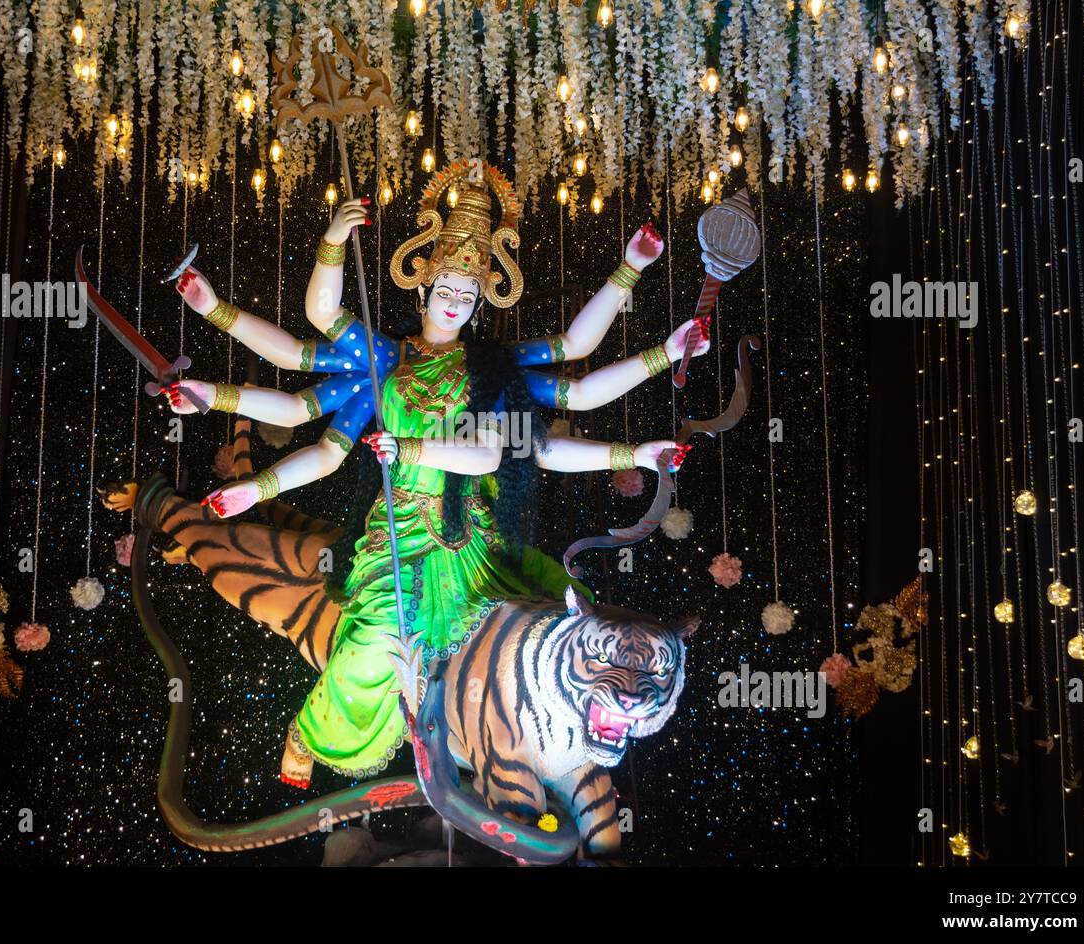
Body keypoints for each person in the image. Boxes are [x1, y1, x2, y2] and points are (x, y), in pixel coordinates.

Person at [164, 163, 708, 786]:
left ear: (480, 303)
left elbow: (573, 382)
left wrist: (640, 296)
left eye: (468, 296)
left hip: (472, 539)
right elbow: (304, 356)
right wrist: (239, 445)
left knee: (547, 626)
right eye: (446, 289)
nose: (455, 303)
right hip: (395, 536)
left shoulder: (492, 371)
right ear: (422, 288)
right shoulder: (385, 361)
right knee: (372, 647)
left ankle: (502, 757)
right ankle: (314, 729)